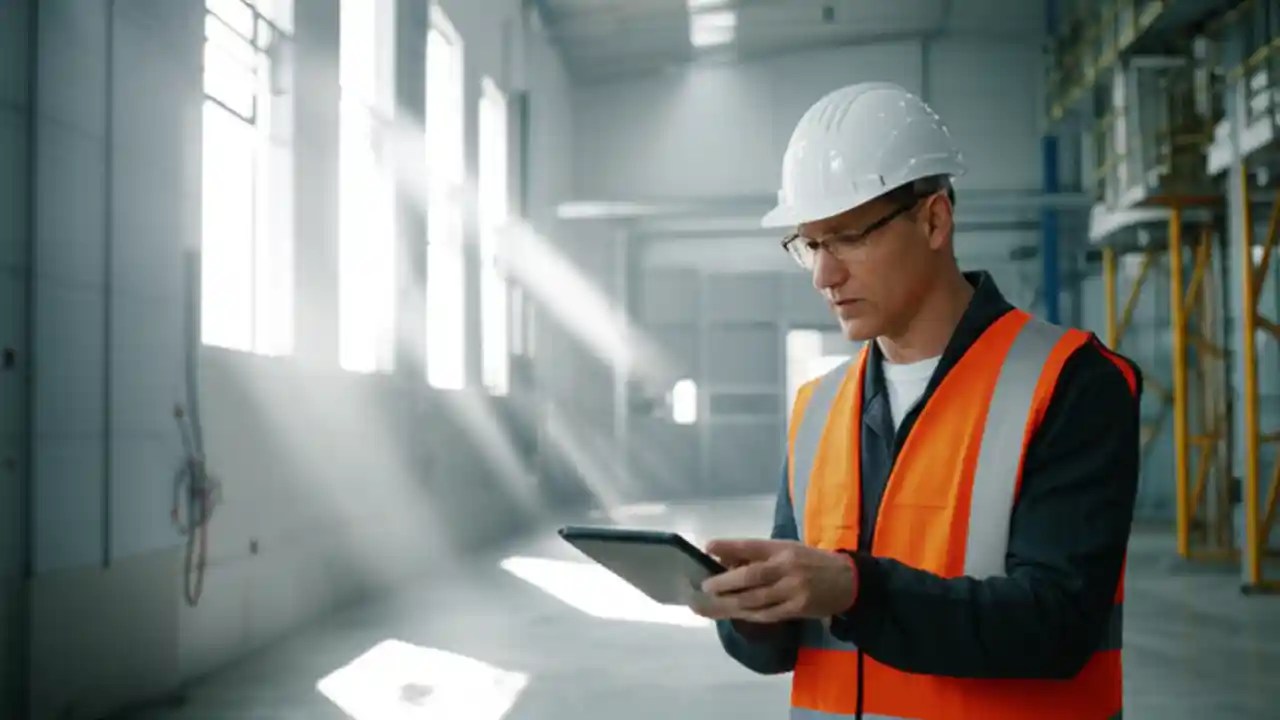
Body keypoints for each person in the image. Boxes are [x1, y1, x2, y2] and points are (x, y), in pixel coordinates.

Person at [689, 81, 1142, 720]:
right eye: (810, 244)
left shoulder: (1070, 382)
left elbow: (1057, 624)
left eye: (847, 236)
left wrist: (852, 589)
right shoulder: (819, 409)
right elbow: (781, 652)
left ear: (934, 219)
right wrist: (752, 610)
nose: (824, 275)